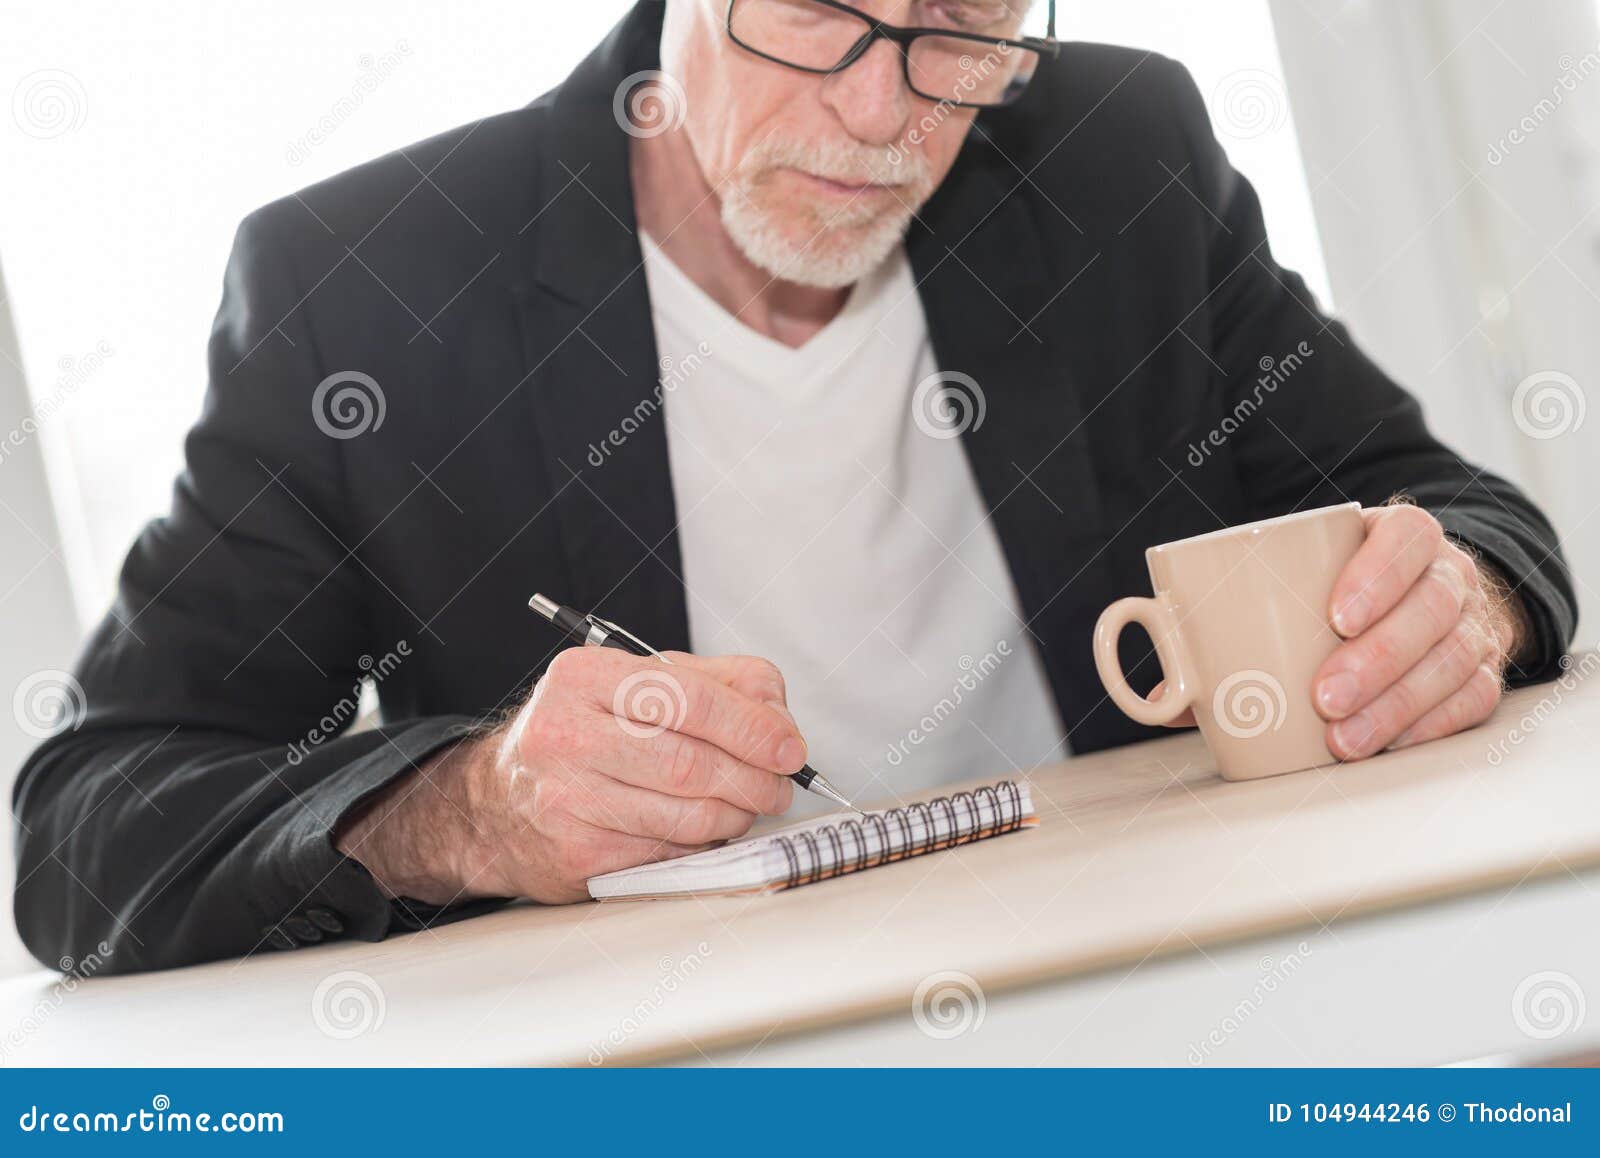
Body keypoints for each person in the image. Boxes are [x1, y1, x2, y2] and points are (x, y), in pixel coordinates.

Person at [12, 0, 1576, 973]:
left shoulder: (1118, 153)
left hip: (1158, 1001)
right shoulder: (360, 289)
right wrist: (469, 812)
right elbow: (87, 832)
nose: (887, 113)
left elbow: (1453, 514)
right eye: (821, 6)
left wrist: (1468, 602)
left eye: (959, 13)